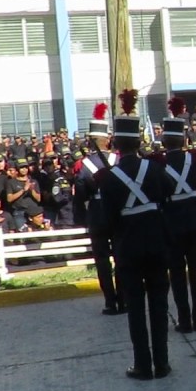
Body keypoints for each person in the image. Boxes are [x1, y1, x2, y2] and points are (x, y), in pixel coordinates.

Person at [100, 91, 173, 379]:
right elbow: (168, 192)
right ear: (138, 142)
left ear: (116, 144)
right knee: (159, 305)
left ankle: (143, 364)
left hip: (128, 246)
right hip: (156, 241)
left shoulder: (110, 178)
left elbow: (108, 219)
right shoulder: (154, 168)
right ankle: (162, 362)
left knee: (136, 308)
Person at [161, 98, 196, 333]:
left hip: (172, 220)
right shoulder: (193, 158)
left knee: (178, 273)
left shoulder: (158, 162)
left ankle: (184, 319)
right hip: (194, 218)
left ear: (164, 140)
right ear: (182, 139)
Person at [75, 104, 124, 316]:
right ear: (107, 140)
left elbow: (80, 194)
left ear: (90, 140)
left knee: (102, 261)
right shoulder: (118, 160)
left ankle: (110, 302)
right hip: (117, 213)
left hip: (96, 213)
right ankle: (123, 299)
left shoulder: (83, 165)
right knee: (121, 257)